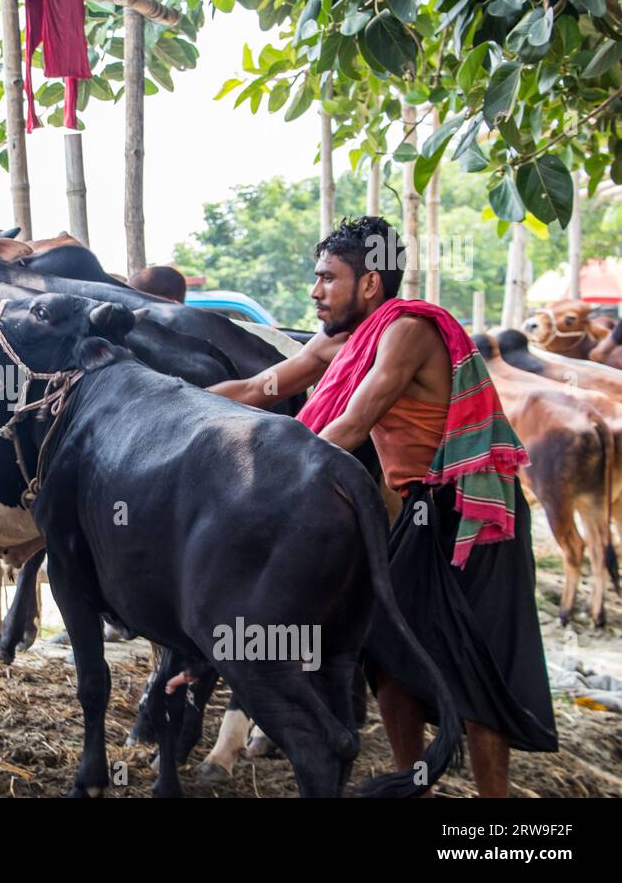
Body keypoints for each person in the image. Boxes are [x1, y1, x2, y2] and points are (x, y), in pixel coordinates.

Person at [173, 216, 557, 797]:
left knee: (480, 673)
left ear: (371, 282)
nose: (315, 291)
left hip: (469, 519)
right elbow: (257, 390)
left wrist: (262, 490)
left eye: (328, 278)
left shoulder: (407, 331)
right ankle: (413, 787)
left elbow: (350, 427)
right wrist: (174, 409)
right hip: (410, 518)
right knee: (388, 658)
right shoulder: (340, 341)